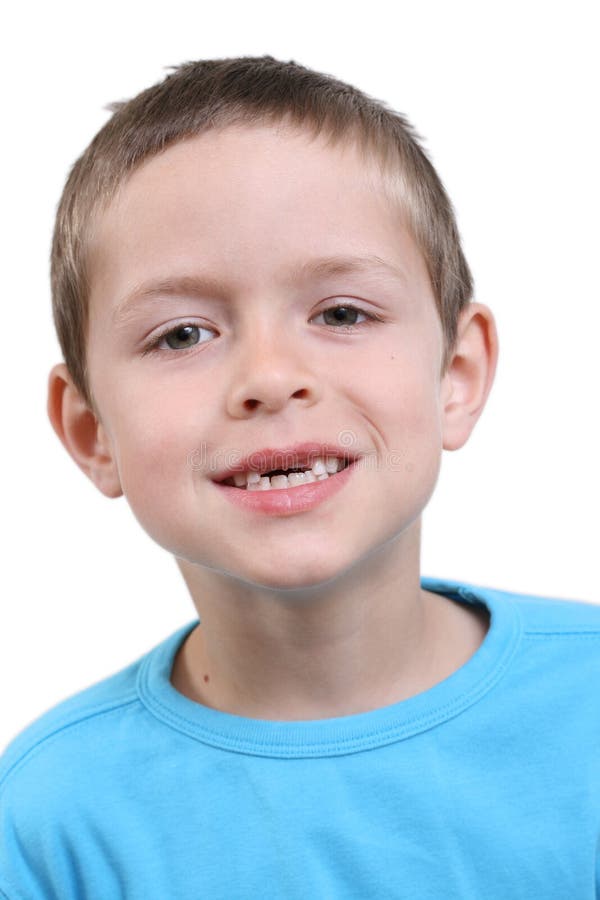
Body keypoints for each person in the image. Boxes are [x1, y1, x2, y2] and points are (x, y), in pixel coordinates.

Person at [1, 55, 598, 899]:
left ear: (455, 376)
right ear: (92, 430)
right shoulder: (47, 825)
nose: (271, 376)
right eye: (181, 335)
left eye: (342, 313)